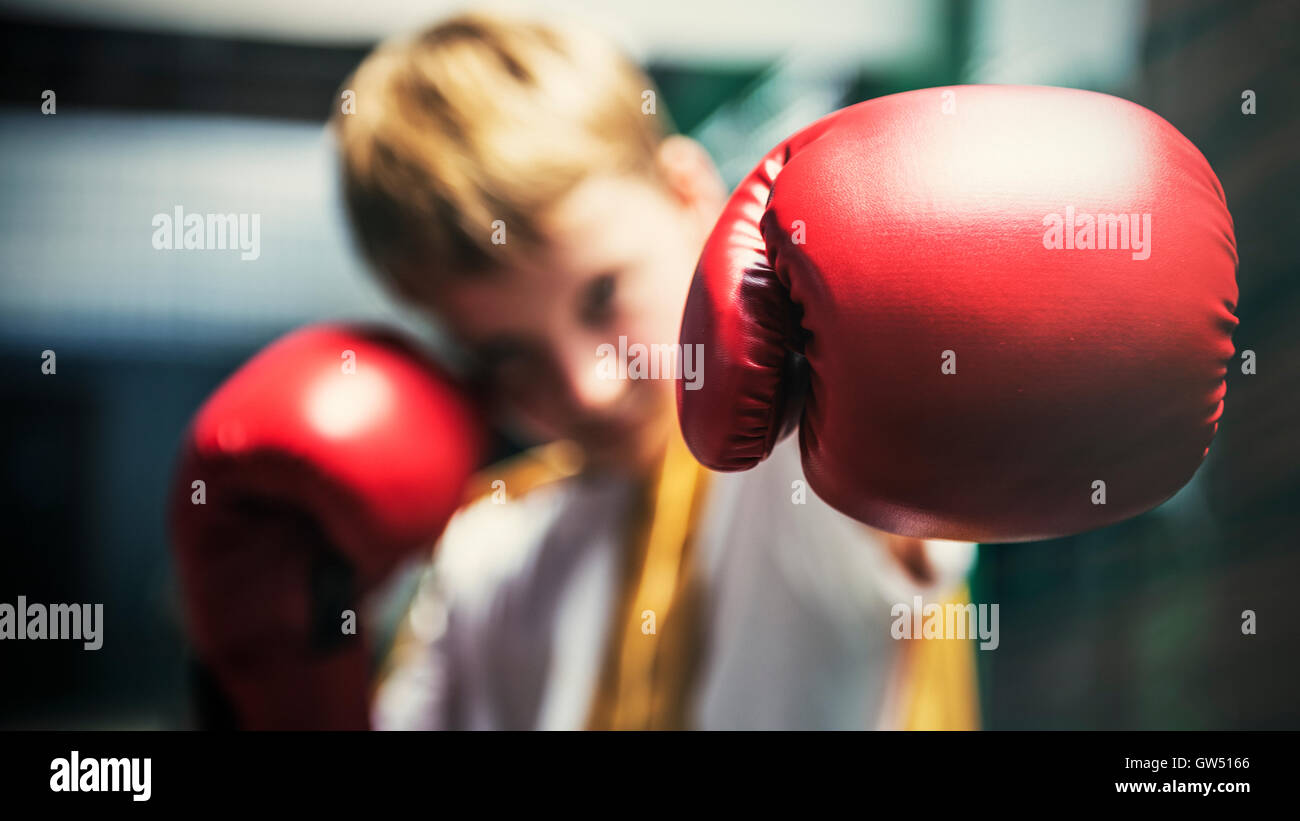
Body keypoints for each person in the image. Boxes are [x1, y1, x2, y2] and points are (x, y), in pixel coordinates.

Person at [332, 11, 978, 730]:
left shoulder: (806, 460)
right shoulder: (483, 555)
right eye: (507, 356)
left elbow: (919, 466)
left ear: (689, 194)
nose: (588, 386)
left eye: (603, 295)